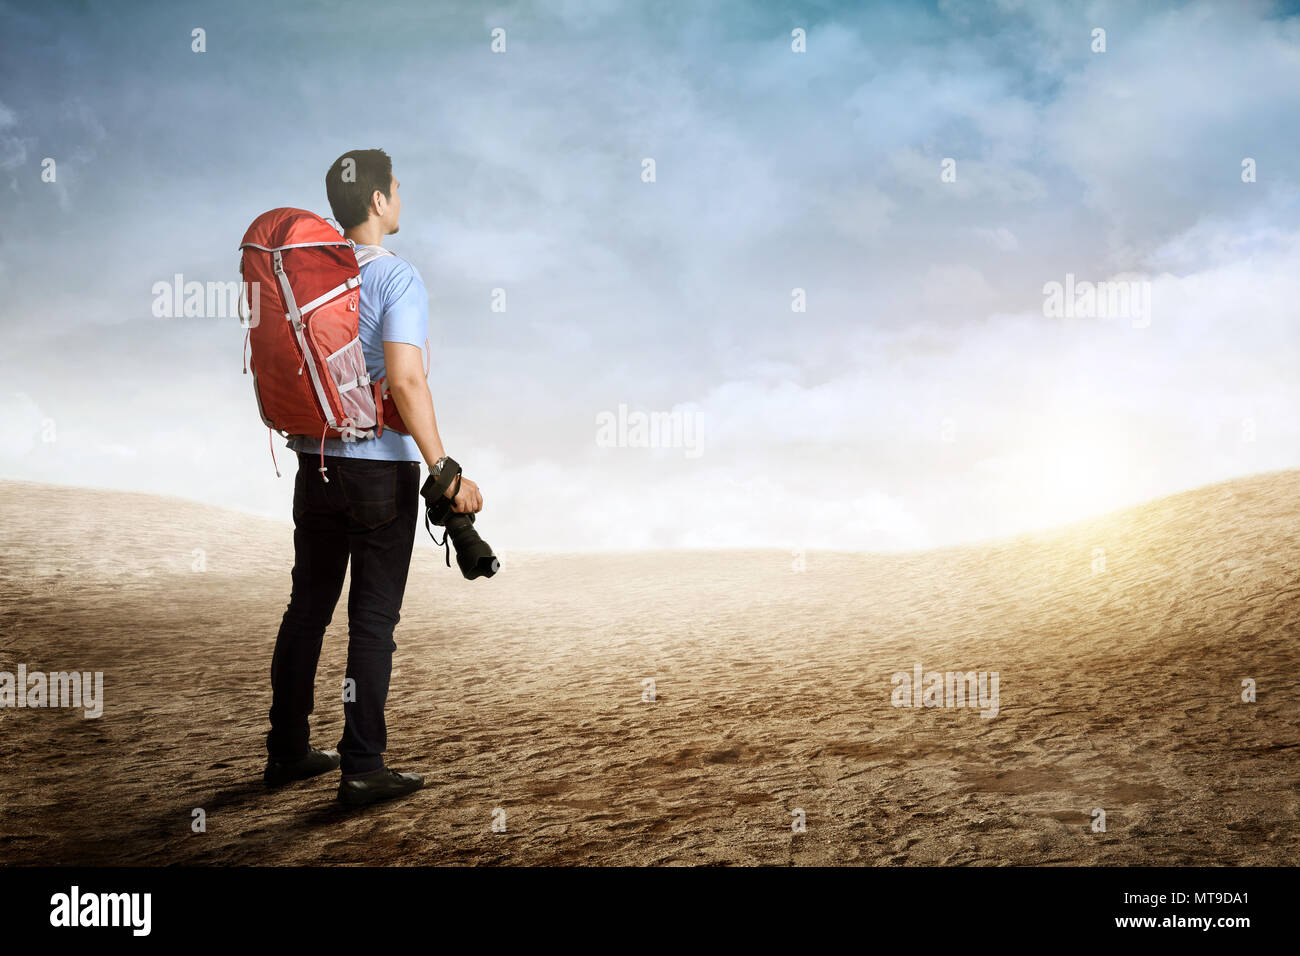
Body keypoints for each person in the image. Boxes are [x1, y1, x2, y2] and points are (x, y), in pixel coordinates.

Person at [262, 148, 483, 806]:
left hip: (315, 463)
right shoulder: (396, 278)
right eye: (398, 190)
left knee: (307, 609)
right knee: (372, 623)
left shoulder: (308, 282)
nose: (401, 200)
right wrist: (444, 467)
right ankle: (362, 767)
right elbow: (407, 379)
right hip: (379, 474)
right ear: (380, 202)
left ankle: (288, 750)